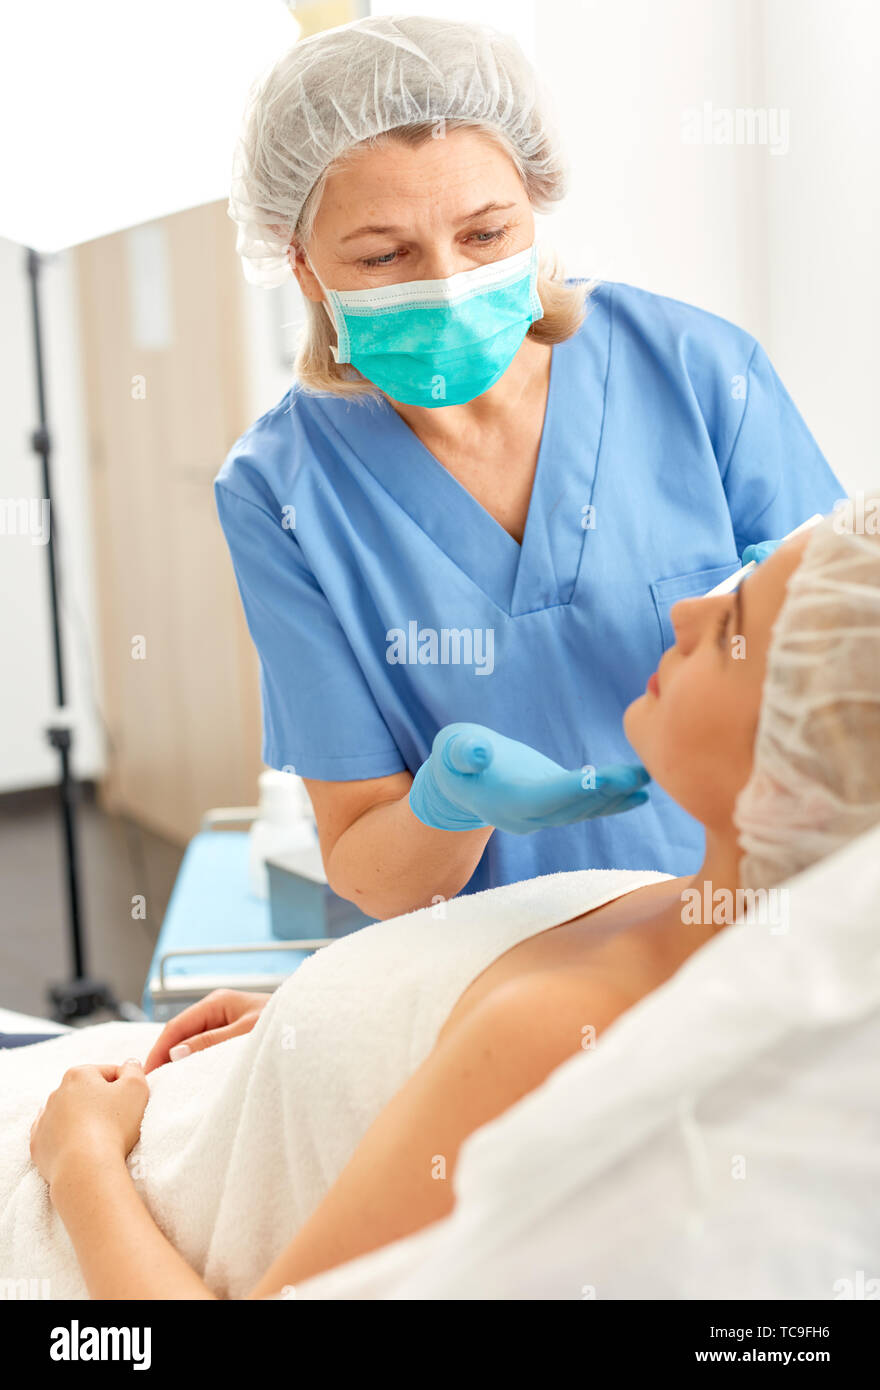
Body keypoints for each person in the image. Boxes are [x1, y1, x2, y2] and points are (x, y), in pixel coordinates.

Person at [19, 504, 879, 1299]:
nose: (688, 613)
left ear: (808, 767)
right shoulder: (667, 904)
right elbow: (448, 1044)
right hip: (153, 1103)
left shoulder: (563, 1029)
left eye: (732, 627)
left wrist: (82, 1157)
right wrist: (324, 1031)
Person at [213, 14, 843, 918]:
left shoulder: (695, 371)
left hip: (743, 937)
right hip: (488, 972)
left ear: (535, 202)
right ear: (303, 264)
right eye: (384, 255)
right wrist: (447, 807)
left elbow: (848, 679)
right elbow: (367, 867)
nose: (446, 280)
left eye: (485, 235)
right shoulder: (282, 492)